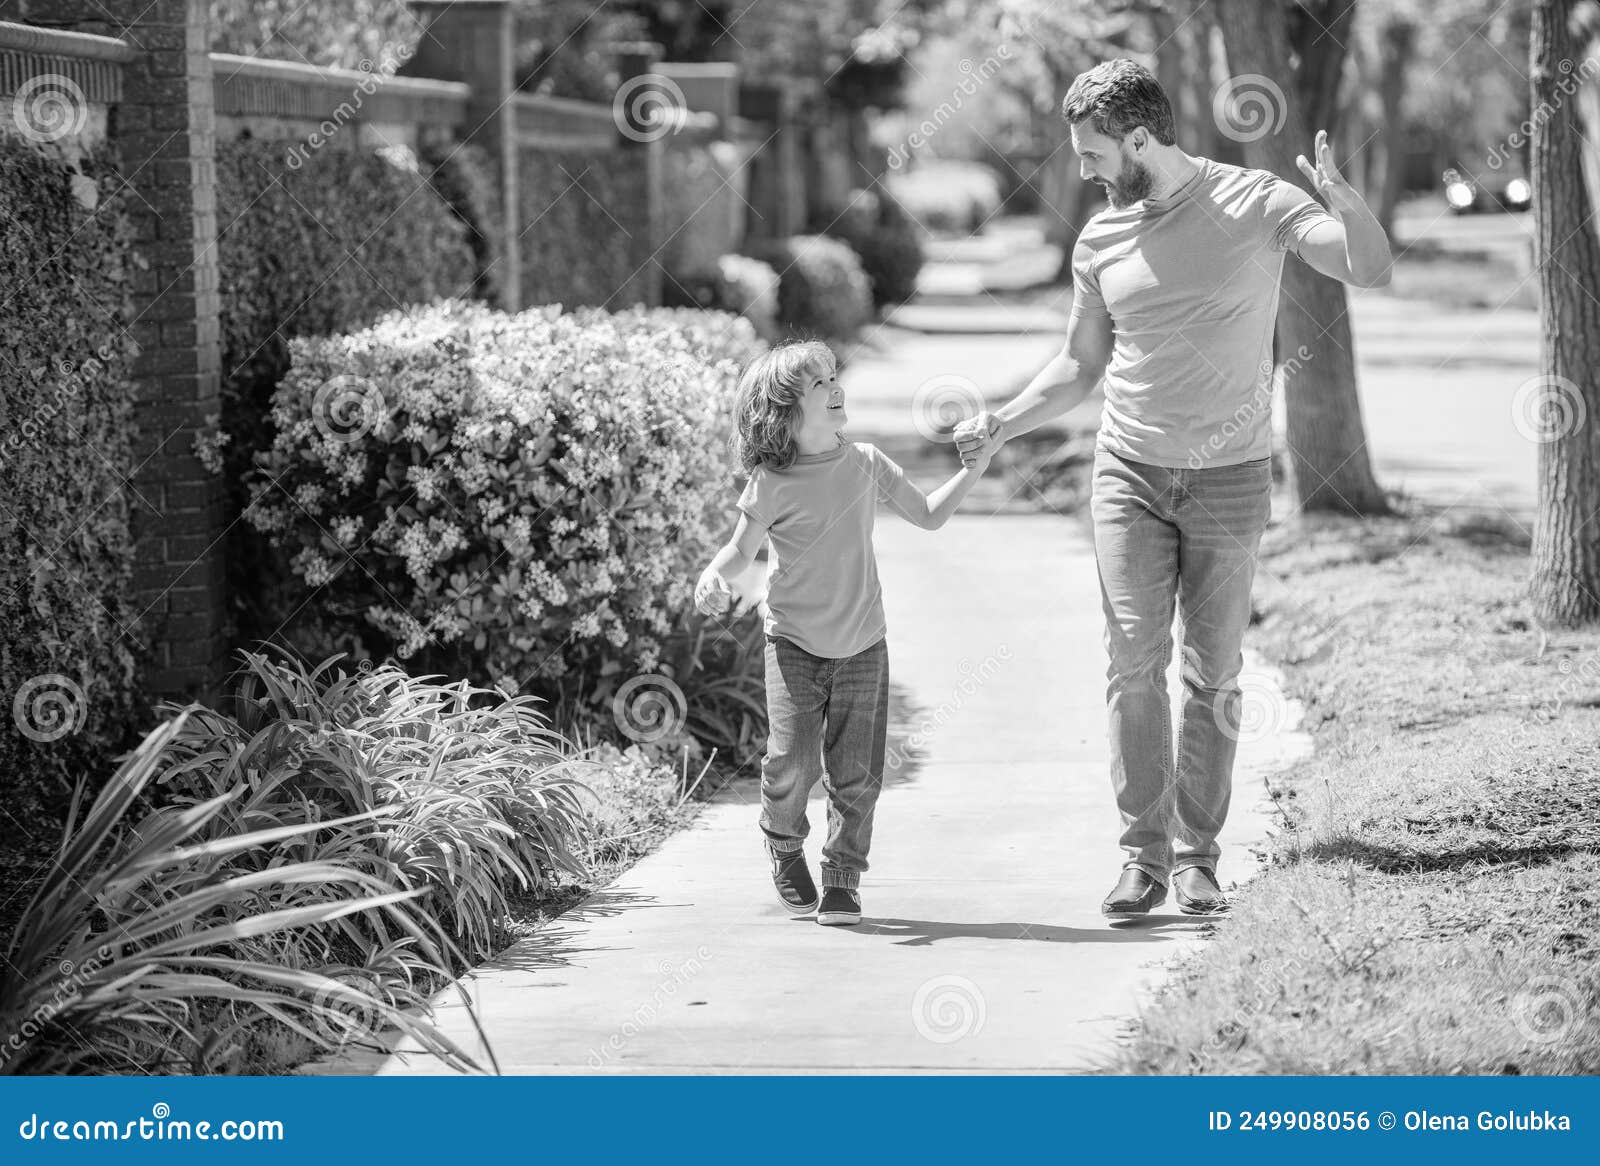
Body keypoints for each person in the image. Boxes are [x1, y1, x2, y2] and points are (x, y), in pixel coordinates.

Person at [955, 59, 1392, 920]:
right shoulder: (1100, 238)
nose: (1083, 169)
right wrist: (1003, 420)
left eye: (1092, 153)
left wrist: (1344, 198)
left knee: (1214, 671)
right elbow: (1082, 365)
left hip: (1229, 479)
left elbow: (1366, 269)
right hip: (1128, 472)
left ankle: (1197, 860)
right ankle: (1140, 859)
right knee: (1132, 665)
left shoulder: (1256, 202)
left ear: (1141, 140)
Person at [696, 340, 990, 926]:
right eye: (818, 385)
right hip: (793, 644)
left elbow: (927, 515)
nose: (836, 388)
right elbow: (740, 551)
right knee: (794, 760)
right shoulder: (771, 481)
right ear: (784, 412)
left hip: (863, 642)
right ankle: (782, 842)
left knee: (857, 772)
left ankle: (842, 878)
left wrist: (971, 471)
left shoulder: (866, 462)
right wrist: (712, 574)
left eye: (834, 376)